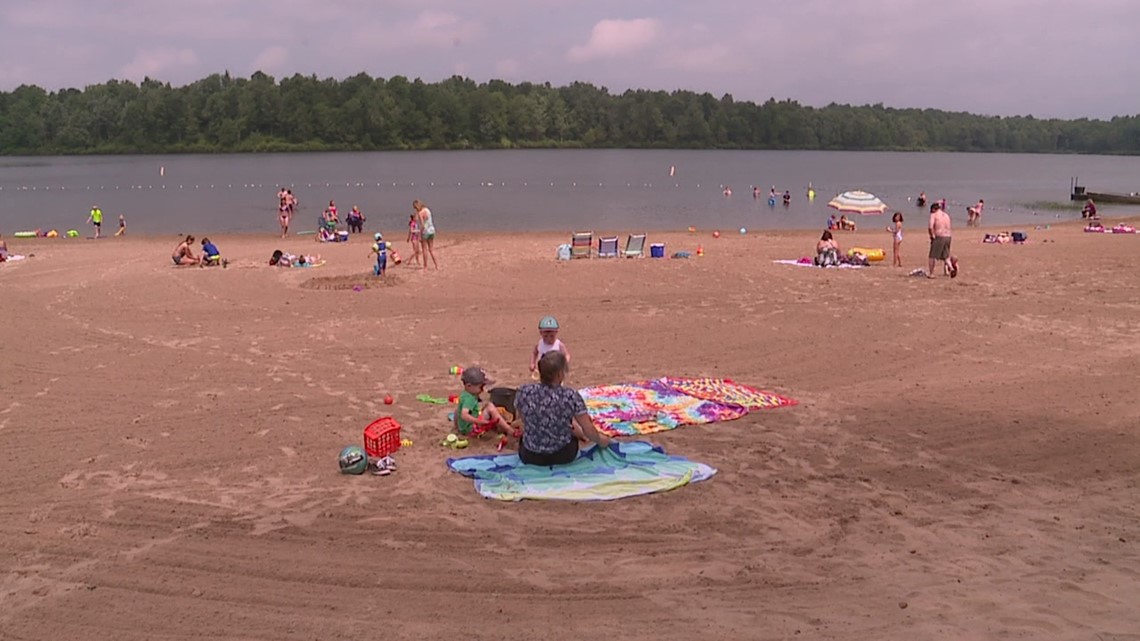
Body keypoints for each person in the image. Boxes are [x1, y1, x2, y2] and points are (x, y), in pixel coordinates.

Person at [515, 351, 611, 466]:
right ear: (560, 374)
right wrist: (602, 440)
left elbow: (522, 418)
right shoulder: (570, 396)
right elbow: (588, 429)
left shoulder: (524, 392)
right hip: (563, 455)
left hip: (530, 456)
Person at [454, 366, 518, 446]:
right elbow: (464, 415)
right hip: (471, 430)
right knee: (490, 407)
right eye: (480, 387)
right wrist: (481, 422)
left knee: (487, 406)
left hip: (464, 427)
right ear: (469, 385)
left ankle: (503, 426)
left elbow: (493, 381)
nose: (482, 390)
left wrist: (484, 375)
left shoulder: (466, 394)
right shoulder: (469, 399)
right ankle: (509, 430)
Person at [927, 202, 957, 279]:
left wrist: (932, 236)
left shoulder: (934, 215)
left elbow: (930, 227)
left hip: (939, 236)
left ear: (933, 209)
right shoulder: (946, 215)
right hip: (948, 236)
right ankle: (951, 268)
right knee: (945, 255)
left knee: (932, 256)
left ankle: (931, 273)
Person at [414, 199, 439, 270]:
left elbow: (422, 225)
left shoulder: (420, 213)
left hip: (425, 232)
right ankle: (437, 265)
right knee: (431, 249)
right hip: (432, 230)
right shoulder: (427, 210)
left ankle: (425, 266)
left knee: (424, 249)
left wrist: (419, 234)